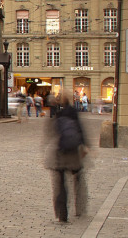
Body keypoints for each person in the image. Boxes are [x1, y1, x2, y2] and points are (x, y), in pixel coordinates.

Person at [45, 94, 89, 224]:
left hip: (61, 153)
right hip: (74, 154)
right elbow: (81, 131)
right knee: (78, 179)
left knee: (60, 185)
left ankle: (62, 215)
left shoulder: (57, 114)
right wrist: (85, 146)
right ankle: (80, 207)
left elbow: (51, 134)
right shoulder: (74, 113)